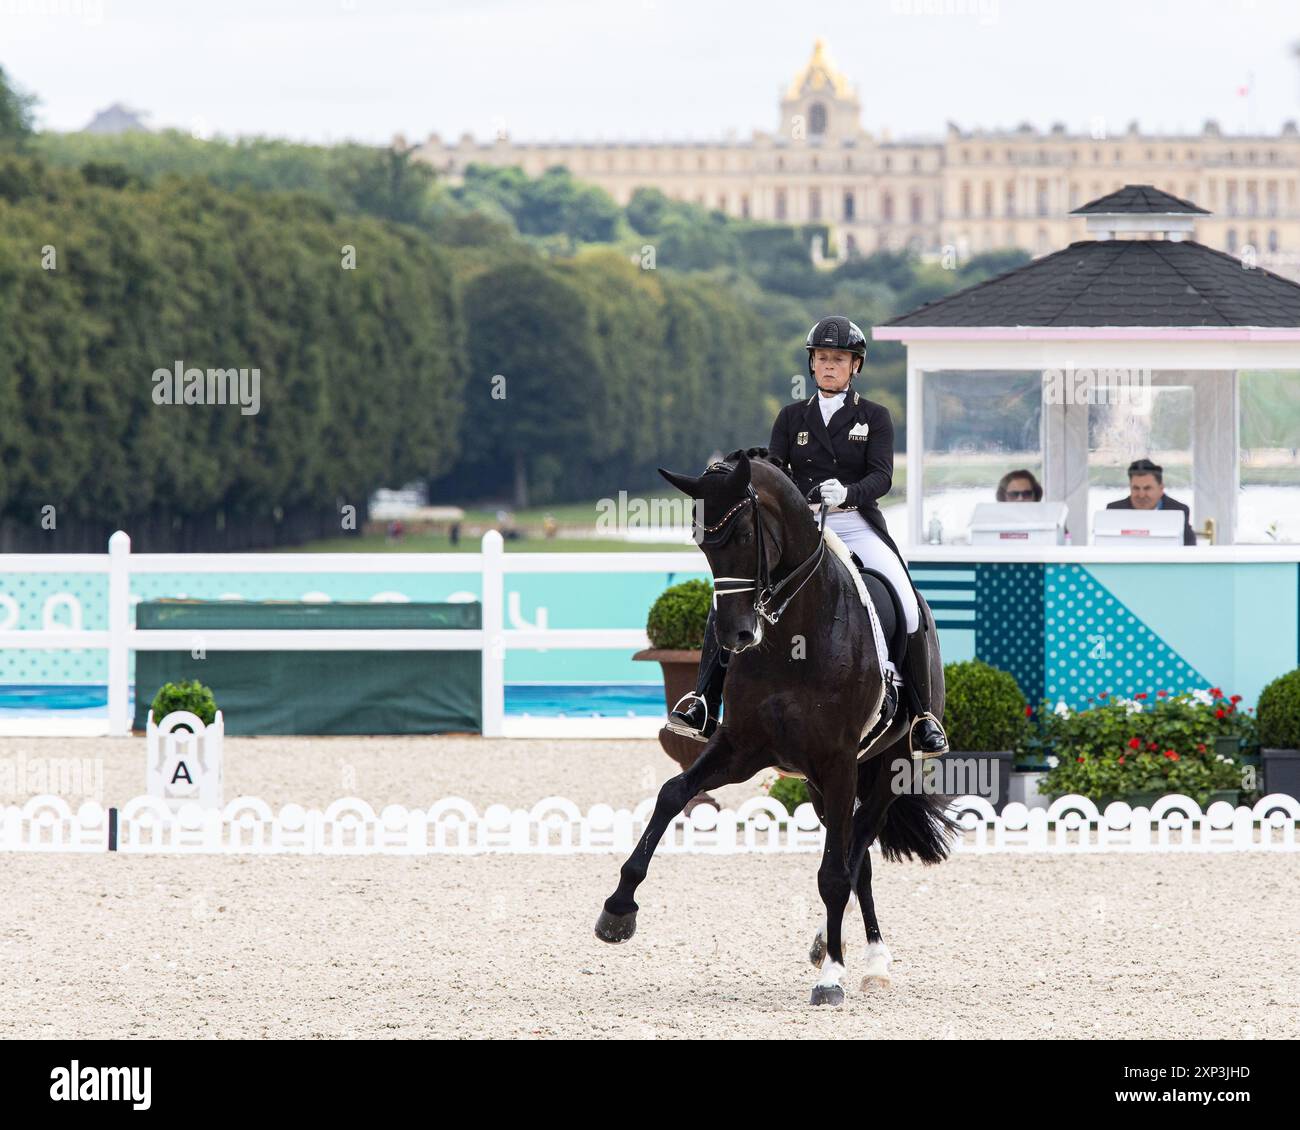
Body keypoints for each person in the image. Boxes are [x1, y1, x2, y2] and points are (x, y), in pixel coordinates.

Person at [666, 315, 948, 757]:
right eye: (821, 358)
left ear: (855, 365)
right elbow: (777, 474)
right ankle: (703, 700)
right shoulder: (791, 416)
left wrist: (848, 492)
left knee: (905, 600)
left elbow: (882, 477)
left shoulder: (874, 416)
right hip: (803, 528)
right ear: (812, 364)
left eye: (838, 358)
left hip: (856, 522)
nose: (829, 366)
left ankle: (922, 715)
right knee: (733, 593)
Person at [1105, 458, 1195, 546]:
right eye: (1136, 488)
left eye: (1147, 488)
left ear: (1161, 488)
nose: (1141, 495)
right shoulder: (1115, 510)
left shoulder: (1177, 511)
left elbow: (1189, 548)